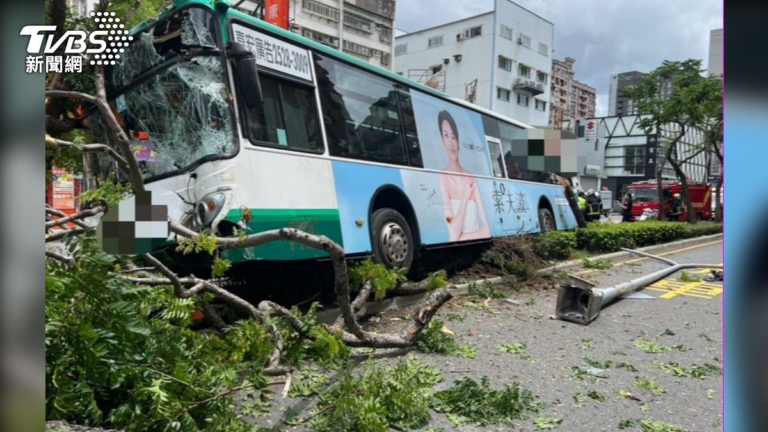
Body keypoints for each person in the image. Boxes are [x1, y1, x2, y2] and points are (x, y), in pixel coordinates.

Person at [437, 110, 490, 241]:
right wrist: (466, 196)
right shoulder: (442, 177)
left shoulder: (471, 178)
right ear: (442, 140)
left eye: (453, 137)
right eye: (446, 136)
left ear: (458, 140)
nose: (451, 142)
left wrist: (461, 236)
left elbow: (488, 230)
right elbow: (451, 230)